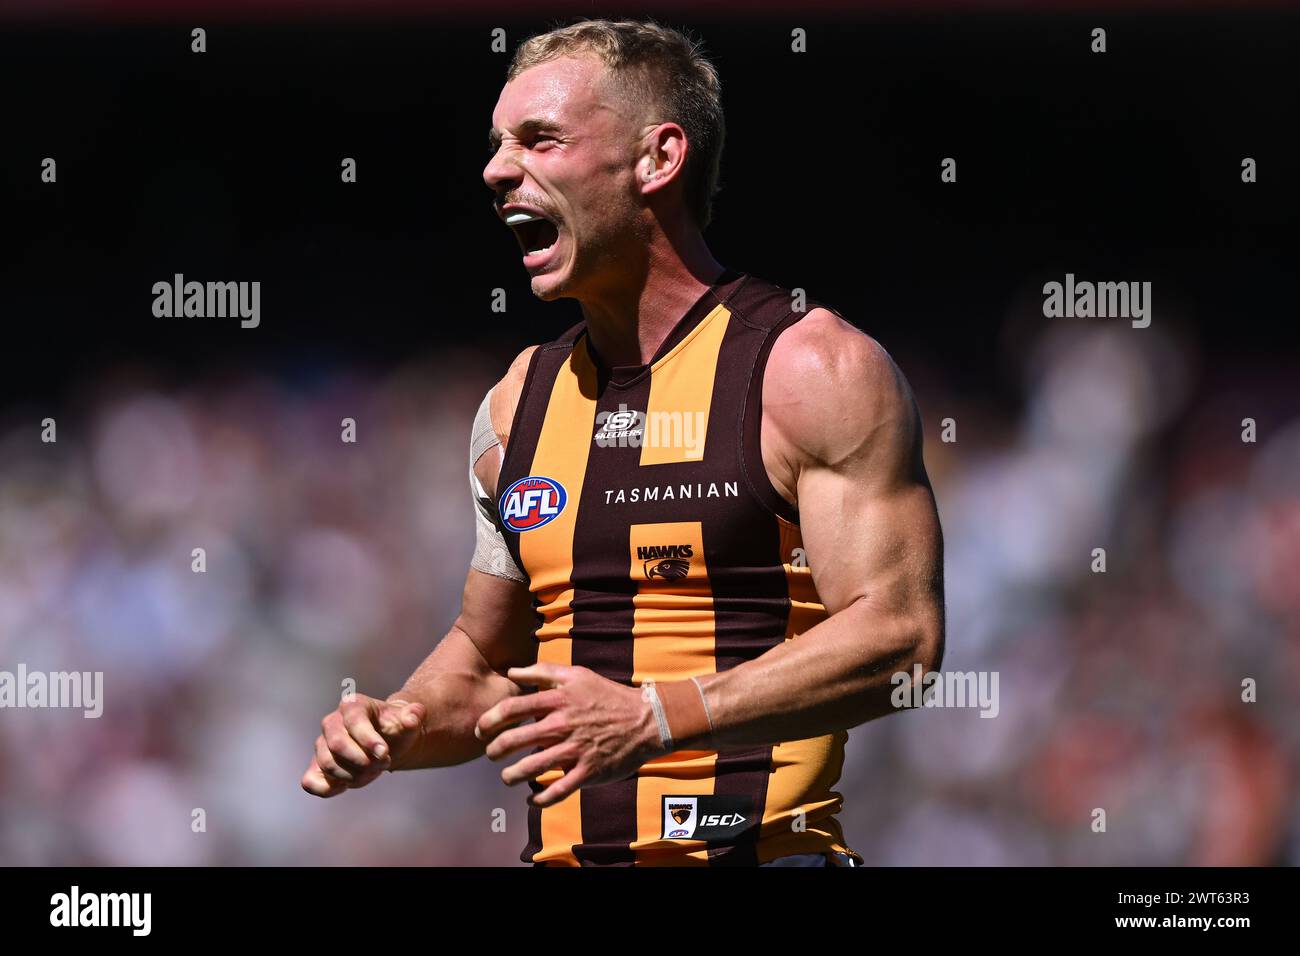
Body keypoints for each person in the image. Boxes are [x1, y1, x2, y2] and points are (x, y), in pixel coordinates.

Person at [302, 17, 944, 868]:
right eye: (498, 146)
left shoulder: (807, 367)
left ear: (658, 159)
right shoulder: (514, 405)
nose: (497, 171)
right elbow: (489, 663)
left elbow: (902, 640)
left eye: (539, 140)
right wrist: (398, 722)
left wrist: (656, 715)